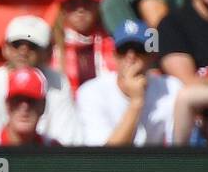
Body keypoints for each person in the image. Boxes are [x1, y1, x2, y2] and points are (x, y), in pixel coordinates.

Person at [0, 14, 82, 145]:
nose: (23, 51)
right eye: (17, 44)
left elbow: (68, 142)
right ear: (5, 48)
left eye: (32, 45)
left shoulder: (58, 82)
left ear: (48, 52)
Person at [76, 18, 178, 146]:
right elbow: (104, 158)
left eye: (139, 49)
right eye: (123, 50)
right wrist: (136, 102)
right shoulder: (91, 92)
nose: (131, 56)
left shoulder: (171, 87)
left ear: (152, 55)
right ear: (114, 55)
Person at [48, 0, 114, 95]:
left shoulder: (112, 45)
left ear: (96, 7)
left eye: (87, 2)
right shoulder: (49, 48)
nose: (80, 9)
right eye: (72, 3)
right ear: (62, 9)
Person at [0, 66, 57, 146]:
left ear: (43, 106)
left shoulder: (54, 150)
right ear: (7, 105)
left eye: (31, 100)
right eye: (17, 100)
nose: (24, 107)